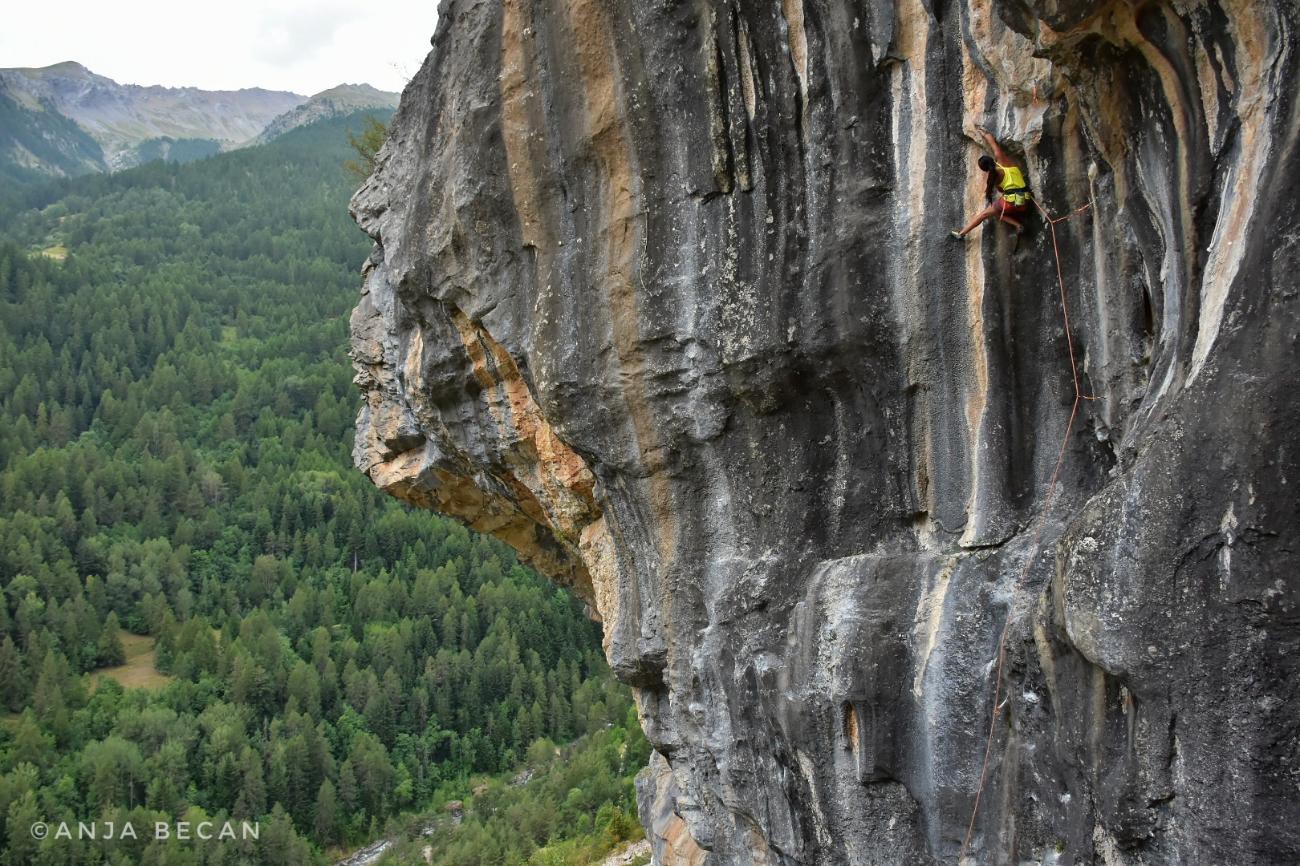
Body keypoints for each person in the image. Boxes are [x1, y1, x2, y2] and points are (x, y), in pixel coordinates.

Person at [951, 128, 1032, 239]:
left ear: (985, 170)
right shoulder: (1003, 161)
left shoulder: (994, 178)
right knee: (996, 210)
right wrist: (984, 133)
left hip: (1012, 203)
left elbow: (1002, 190)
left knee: (985, 214)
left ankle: (961, 234)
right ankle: (1018, 225)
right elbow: (993, 144)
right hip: (1026, 201)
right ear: (992, 160)